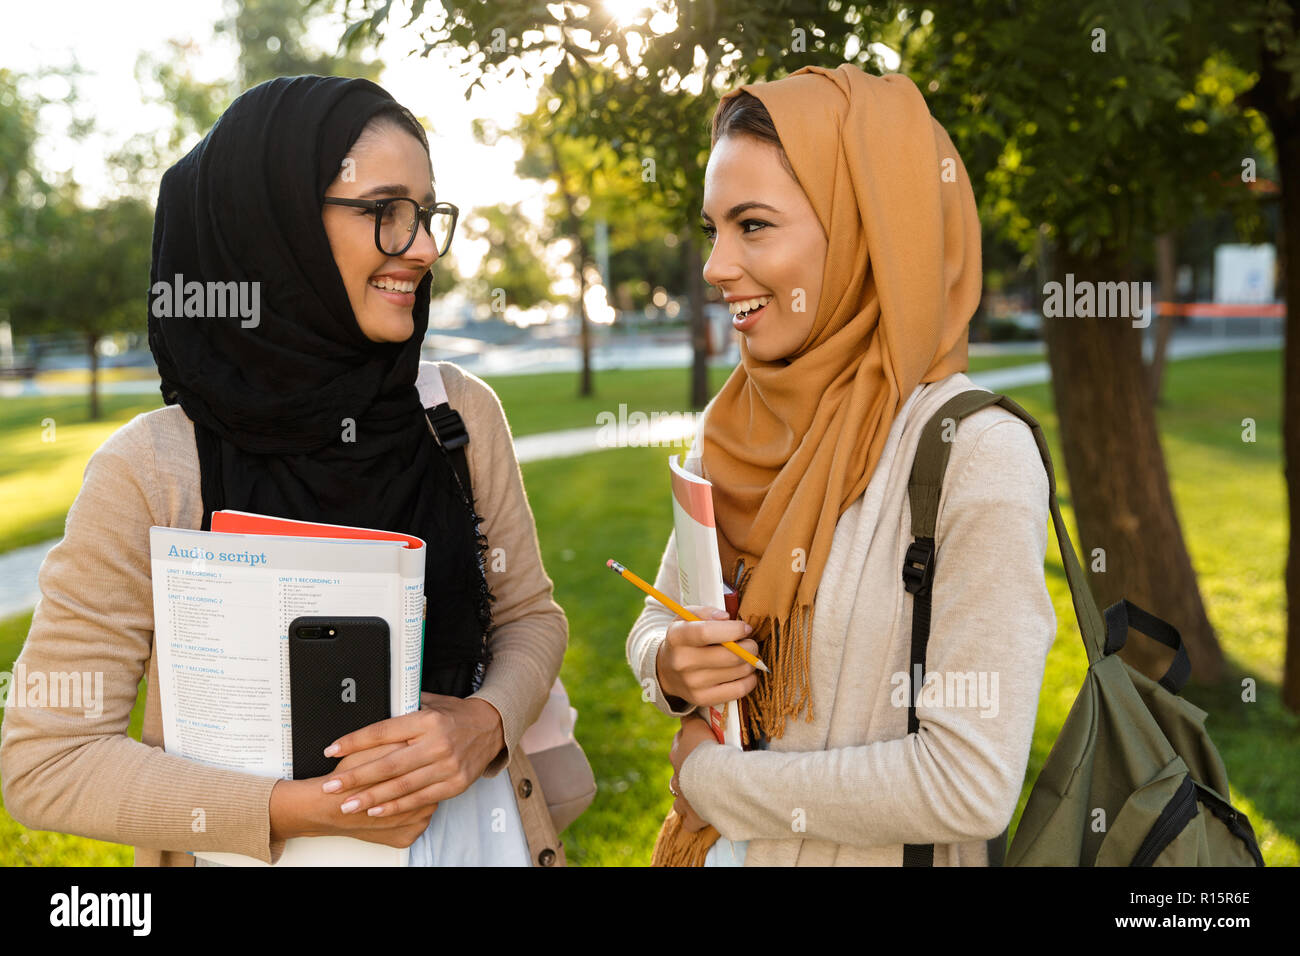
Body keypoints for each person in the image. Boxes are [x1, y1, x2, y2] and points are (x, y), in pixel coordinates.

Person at [0, 75, 569, 867]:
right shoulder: (156, 468)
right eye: (387, 212)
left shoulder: (458, 415)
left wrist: (485, 725)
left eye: (428, 212)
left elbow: (531, 619)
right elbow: (46, 760)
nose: (426, 247)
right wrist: (297, 810)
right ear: (279, 226)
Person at [625, 64, 1057, 867]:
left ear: (870, 231)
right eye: (713, 227)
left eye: (753, 225)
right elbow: (658, 620)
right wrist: (670, 665)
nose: (717, 265)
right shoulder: (736, 427)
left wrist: (712, 781)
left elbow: (968, 784)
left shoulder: (976, 455)